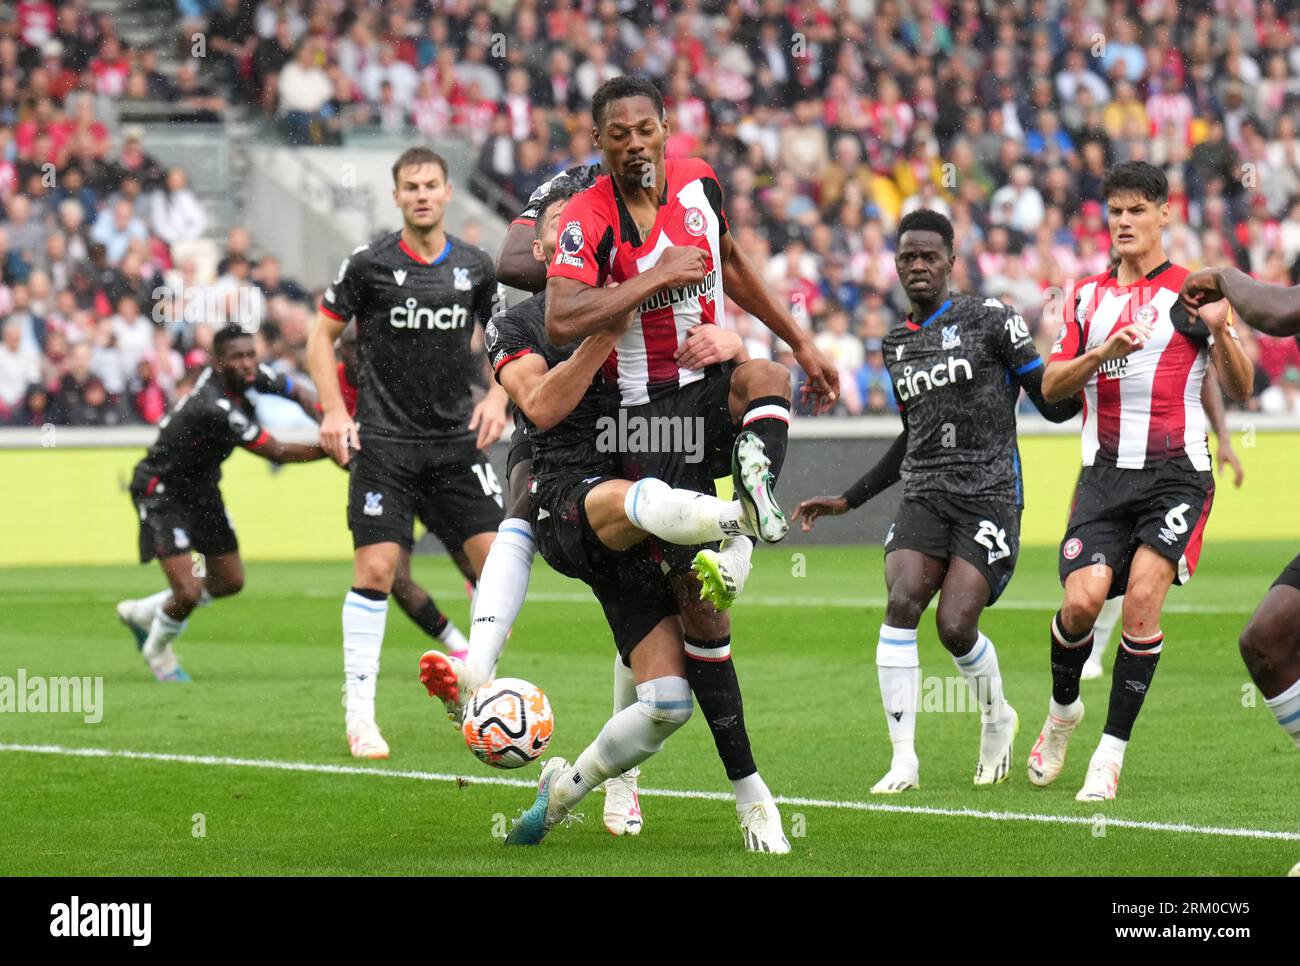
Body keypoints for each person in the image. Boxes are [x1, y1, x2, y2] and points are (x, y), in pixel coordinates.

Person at [532, 76, 841, 841]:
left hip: (704, 395)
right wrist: (653, 277)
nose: (634, 144)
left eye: (644, 130)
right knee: (698, 610)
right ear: (599, 142)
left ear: (666, 127)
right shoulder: (589, 217)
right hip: (641, 430)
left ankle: (752, 499)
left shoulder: (700, 181)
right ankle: (748, 792)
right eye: (617, 135)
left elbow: (730, 263)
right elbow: (561, 314)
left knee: (769, 377)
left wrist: (799, 338)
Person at [791, 209, 1082, 793]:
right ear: (895, 266)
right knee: (901, 602)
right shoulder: (896, 342)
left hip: (990, 496)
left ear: (952, 260)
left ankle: (997, 716)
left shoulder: (993, 318)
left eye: (929, 256)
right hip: (925, 492)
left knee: (954, 625)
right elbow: (912, 436)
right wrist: (849, 499)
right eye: (907, 257)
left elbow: (1053, 404)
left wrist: (1088, 364)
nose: (917, 266)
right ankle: (904, 759)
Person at [1030, 162, 1254, 801]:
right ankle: (1064, 711)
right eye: (1116, 211)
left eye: (1137, 210)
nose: (1124, 222)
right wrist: (1102, 355)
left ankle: (1110, 753)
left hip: (1177, 476)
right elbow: (1050, 388)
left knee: (1144, 600)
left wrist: (1221, 332)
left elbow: (1240, 386)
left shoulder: (1196, 291)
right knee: (1081, 602)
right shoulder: (1082, 297)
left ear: (1164, 215)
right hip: (1103, 477)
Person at [306, 146, 508, 760]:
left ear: (448, 193)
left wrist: (499, 397)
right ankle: (360, 714)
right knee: (375, 572)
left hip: (456, 445)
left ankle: (472, 682)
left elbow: (504, 337)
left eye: (431, 185)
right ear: (396, 196)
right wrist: (334, 410)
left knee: (498, 570)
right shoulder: (368, 265)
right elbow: (321, 336)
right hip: (385, 445)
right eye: (410, 186)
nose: (421, 194)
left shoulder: (476, 267)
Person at [116, 326, 326, 681]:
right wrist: (333, 448)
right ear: (217, 362)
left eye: (250, 355)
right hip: (160, 490)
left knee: (229, 580)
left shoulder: (254, 375)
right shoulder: (213, 405)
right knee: (188, 590)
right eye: (237, 358)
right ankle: (157, 651)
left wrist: (329, 421)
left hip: (202, 488)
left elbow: (302, 393)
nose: (247, 365)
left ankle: (142, 613)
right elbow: (276, 450)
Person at [1081, 368, 1245, 681]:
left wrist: (1224, 437)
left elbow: (1206, 376)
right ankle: (1090, 654)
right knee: (1096, 557)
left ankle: (1099, 651)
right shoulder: (1093, 322)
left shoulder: (1184, 322)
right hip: (1107, 461)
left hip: (1165, 463)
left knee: (1134, 569)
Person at [335, 322, 472, 656]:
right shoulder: (335, 384)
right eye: (353, 346)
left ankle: (486, 640)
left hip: (431, 474)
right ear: (340, 351)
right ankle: (457, 646)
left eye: (365, 343)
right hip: (386, 480)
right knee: (394, 576)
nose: (360, 352)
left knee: (473, 563)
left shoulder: (395, 368)